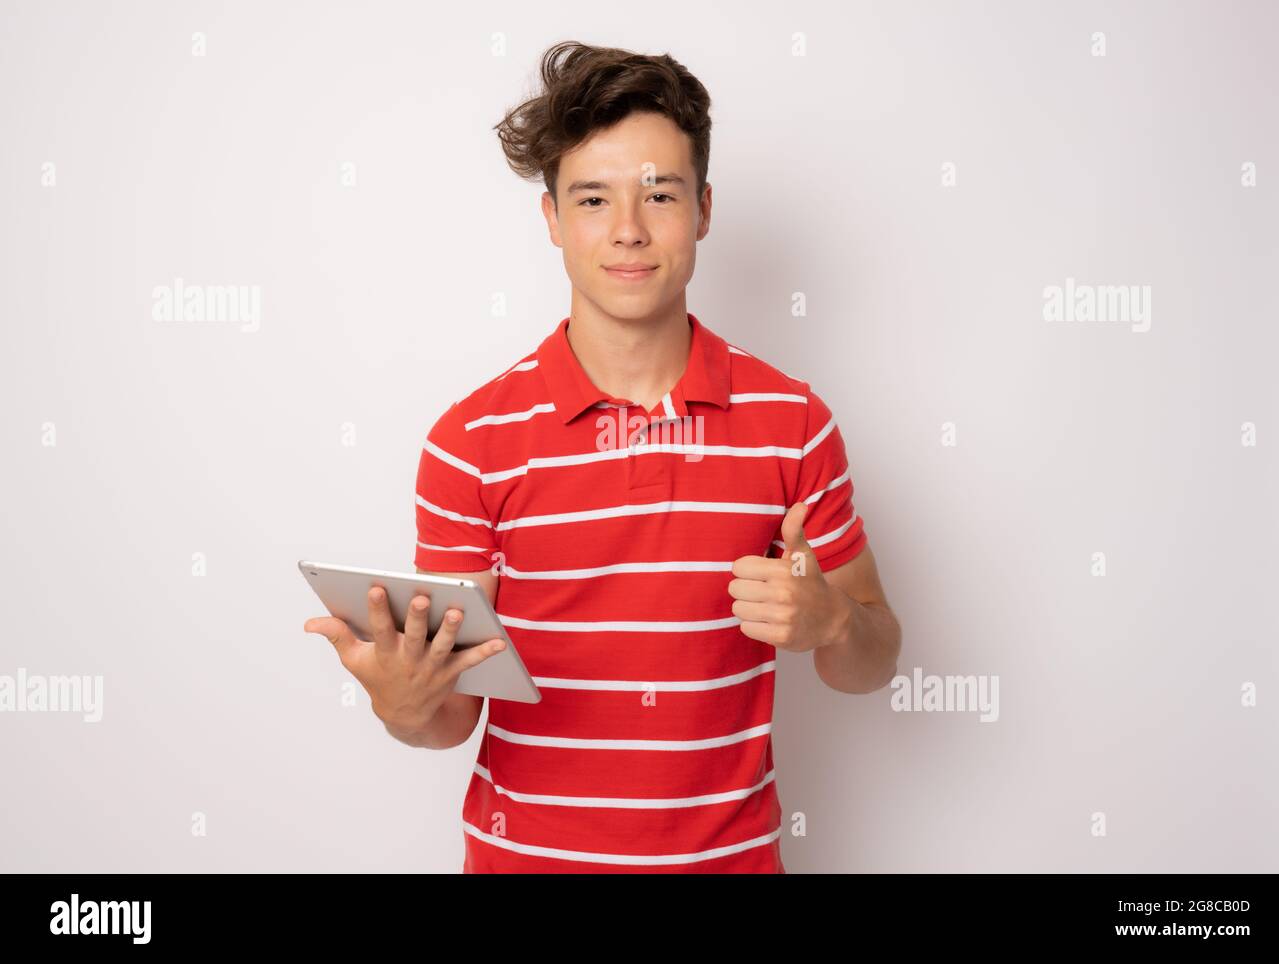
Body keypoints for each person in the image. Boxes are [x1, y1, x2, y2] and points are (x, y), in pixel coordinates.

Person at [305, 40, 901, 873]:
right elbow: (446, 718)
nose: (628, 230)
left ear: (703, 209)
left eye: (660, 193)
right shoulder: (470, 443)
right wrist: (403, 704)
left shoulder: (793, 422)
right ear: (552, 220)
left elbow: (871, 661)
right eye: (593, 199)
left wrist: (833, 621)